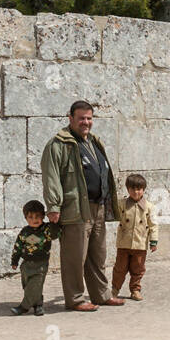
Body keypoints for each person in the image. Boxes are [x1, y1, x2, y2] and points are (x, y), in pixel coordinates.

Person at [40, 100, 126, 312]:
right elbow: (51, 177)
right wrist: (53, 206)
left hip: (98, 207)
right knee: (75, 257)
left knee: (98, 254)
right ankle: (76, 299)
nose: (85, 122)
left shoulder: (94, 142)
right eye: (81, 118)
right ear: (70, 118)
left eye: (89, 118)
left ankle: (102, 295)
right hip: (75, 208)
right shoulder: (58, 145)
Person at [10, 199, 60, 316]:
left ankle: (24, 307)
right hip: (26, 264)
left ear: (43, 216)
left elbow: (55, 235)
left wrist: (53, 223)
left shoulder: (46, 229)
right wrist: (15, 260)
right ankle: (38, 305)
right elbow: (17, 246)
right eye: (30, 217)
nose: (34, 220)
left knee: (35, 284)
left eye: (38, 216)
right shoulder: (24, 232)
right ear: (26, 218)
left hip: (41, 264)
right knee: (28, 286)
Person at [112, 173, 158, 300]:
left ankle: (135, 290)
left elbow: (153, 225)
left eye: (139, 189)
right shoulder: (122, 204)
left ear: (143, 190)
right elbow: (113, 211)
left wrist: (153, 241)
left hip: (140, 244)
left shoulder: (149, 207)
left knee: (138, 269)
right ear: (128, 189)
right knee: (120, 268)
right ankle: (114, 289)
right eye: (132, 189)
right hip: (123, 243)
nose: (136, 192)